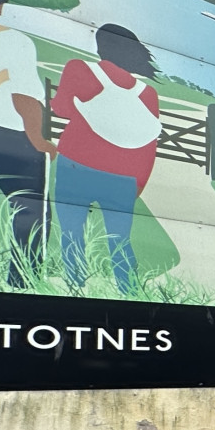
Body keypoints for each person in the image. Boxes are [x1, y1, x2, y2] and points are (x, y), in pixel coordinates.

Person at [50, 24, 161, 292]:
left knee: (72, 232)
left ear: (100, 46)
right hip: (123, 179)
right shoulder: (147, 93)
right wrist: (139, 184)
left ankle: (75, 286)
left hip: (76, 165)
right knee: (120, 239)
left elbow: (61, 108)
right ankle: (129, 290)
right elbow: (148, 146)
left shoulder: (80, 68)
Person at [0, 0, 59, 288]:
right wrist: (38, 139)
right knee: (30, 208)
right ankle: (21, 284)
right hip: (5, 132)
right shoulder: (12, 40)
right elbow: (25, 96)